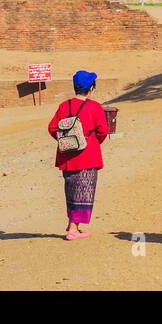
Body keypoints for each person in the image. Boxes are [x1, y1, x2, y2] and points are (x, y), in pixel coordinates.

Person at [47, 69, 110, 240]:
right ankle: (73, 230)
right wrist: (91, 143)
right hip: (87, 157)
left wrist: (65, 142)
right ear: (91, 88)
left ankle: (71, 224)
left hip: (67, 157)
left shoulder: (63, 106)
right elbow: (103, 131)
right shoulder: (94, 107)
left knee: (71, 190)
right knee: (84, 192)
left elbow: (52, 128)